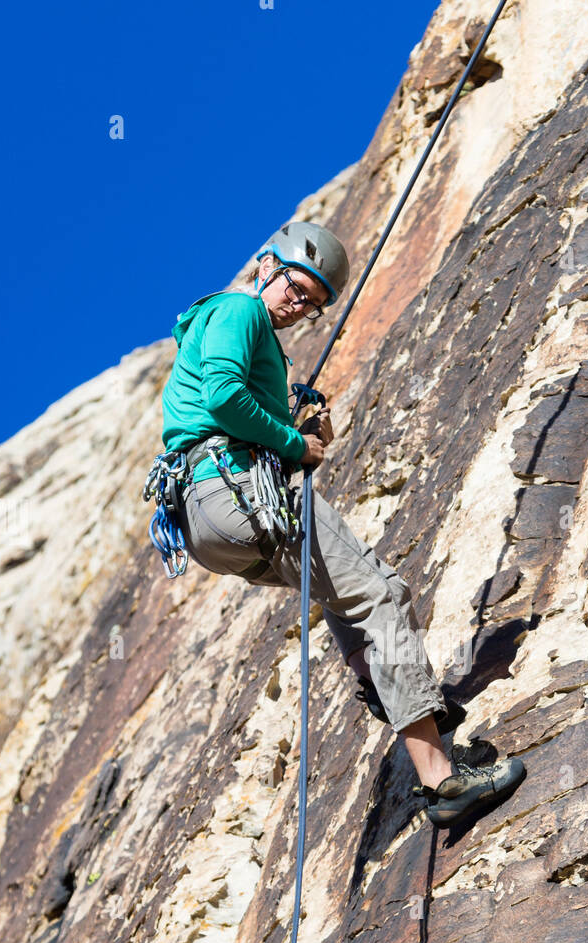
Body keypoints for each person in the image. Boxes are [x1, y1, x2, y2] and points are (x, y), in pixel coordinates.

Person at [159, 221, 525, 828]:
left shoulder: (241, 332)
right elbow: (224, 398)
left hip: (207, 523)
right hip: (238, 490)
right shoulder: (238, 311)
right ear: (266, 267)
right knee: (383, 595)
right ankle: (443, 783)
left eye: (312, 304)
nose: (298, 306)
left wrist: (292, 424)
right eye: (296, 288)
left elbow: (226, 398)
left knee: (345, 594)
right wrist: (291, 443)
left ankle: (387, 686)